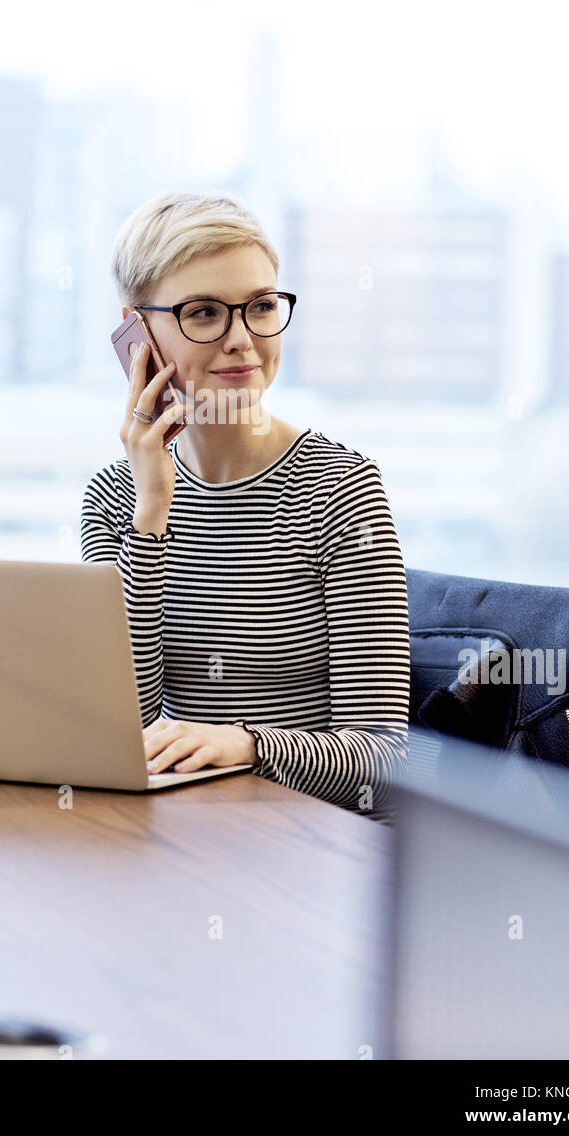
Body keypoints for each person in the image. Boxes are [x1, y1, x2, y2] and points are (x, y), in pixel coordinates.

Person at [80, 190, 410, 820]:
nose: (242, 340)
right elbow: (122, 728)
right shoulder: (115, 495)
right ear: (136, 331)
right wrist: (150, 516)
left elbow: (386, 758)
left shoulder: (341, 487)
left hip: (313, 843)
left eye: (260, 306)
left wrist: (246, 747)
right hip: (188, 830)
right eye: (204, 313)